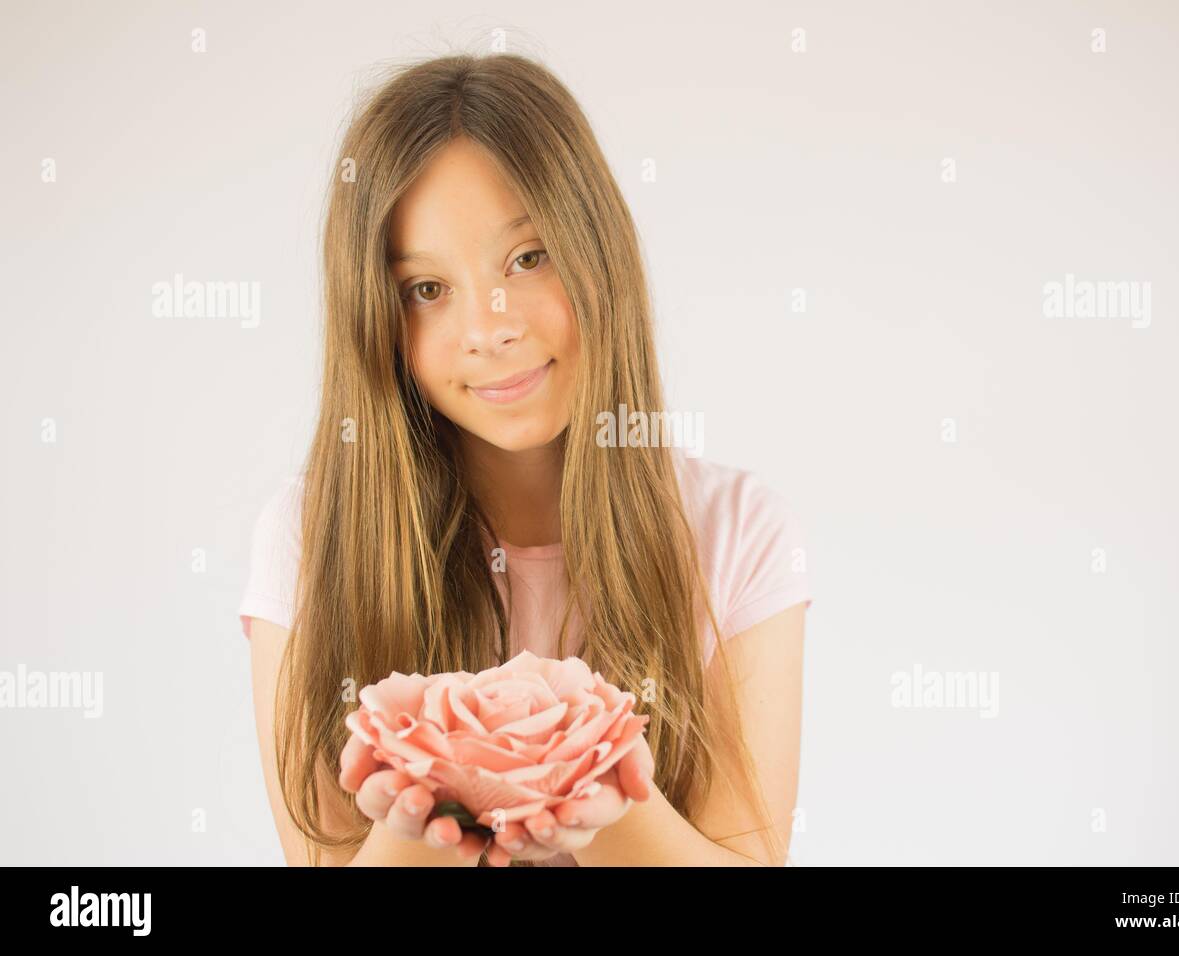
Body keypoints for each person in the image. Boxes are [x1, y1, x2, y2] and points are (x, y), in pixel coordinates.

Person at [238, 52, 812, 867]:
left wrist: (586, 789)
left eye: (527, 259)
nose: (489, 328)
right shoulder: (306, 537)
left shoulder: (738, 532)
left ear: (597, 251)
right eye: (427, 290)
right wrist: (427, 822)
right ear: (380, 319)